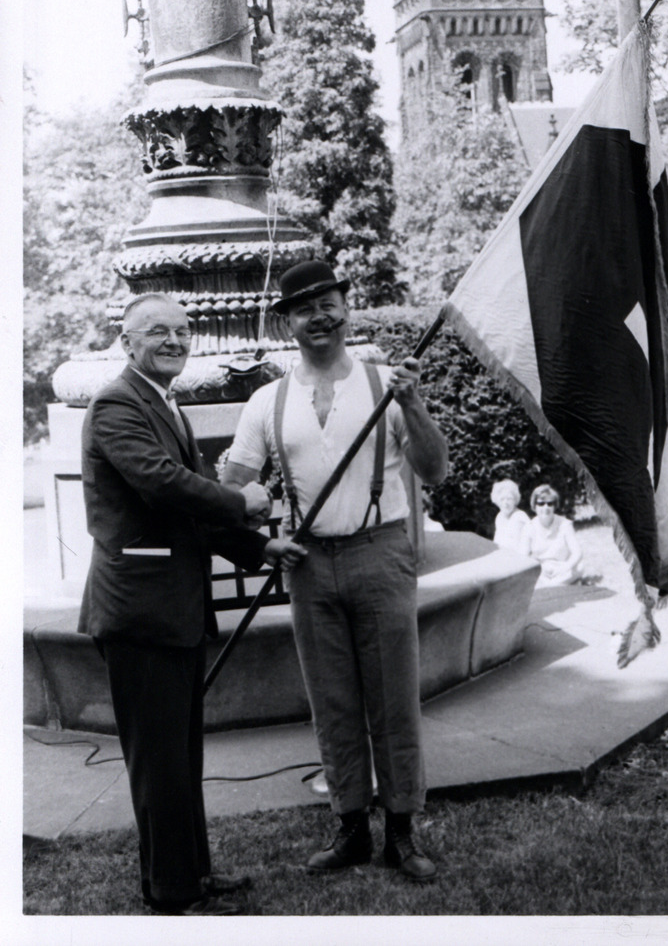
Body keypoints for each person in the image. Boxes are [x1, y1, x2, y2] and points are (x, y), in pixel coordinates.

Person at [78, 292, 306, 916]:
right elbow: (162, 482)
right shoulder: (117, 404)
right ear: (127, 343)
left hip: (169, 611)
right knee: (160, 763)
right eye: (158, 332)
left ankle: (193, 874)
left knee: (181, 756)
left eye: (182, 331)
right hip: (140, 614)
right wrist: (243, 503)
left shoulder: (165, 404)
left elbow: (186, 508)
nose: (175, 341)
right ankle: (173, 894)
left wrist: (261, 550)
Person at [222, 260, 449, 882]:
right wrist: (257, 528)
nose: (319, 316)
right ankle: (351, 827)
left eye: (328, 303)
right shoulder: (269, 400)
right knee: (332, 701)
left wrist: (416, 405)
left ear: (346, 310)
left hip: (380, 552)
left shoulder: (384, 386)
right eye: (304, 309)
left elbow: (434, 470)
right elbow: (231, 482)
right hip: (309, 563)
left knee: (393, 697)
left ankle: (401, 831)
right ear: (287, 323)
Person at [525, 484, 582, 587]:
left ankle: (548, 587)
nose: (545, 507)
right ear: (535, 506)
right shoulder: (529, 527)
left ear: (554, 506)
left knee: (580, 567)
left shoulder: (565, 524)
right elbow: (522, 556)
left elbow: (577, 552)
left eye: (550, 503)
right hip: (541, 570)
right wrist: (539, 569)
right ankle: (556, 586)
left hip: (562, 567)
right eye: (541, 503)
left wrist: (565, 567)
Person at [490, 478, 529, 554]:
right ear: (497, 501)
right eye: (502, 499)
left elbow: (525, 548)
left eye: (509, 499)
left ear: (515, 500)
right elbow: (497, 542)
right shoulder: (499, 517)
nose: (506, 503)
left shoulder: (520, 517)